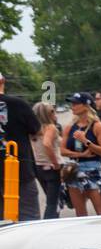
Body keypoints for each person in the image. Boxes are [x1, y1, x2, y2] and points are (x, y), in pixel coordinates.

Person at [61, 92, 101, 216]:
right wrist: (81, 155)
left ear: (86, 106)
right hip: (74, 169)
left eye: (75, 103)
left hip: (93, 169)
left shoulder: (98, 126)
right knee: (80, 213)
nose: (72, 106)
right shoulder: (70, 127)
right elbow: (62, 151)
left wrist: (85, 141)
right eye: (71, 103)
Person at [0, 75, 41, 221]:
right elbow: (36, 130)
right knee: (29, 218)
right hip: (19, 169)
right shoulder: (18, 104)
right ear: (3, 82)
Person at [32, 101, 62, 219]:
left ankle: (53, 220)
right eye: (53, 111)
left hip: (38, 167)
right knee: (53, 203)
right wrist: (55, 163)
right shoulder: (50, 127)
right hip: (51, 167)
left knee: (51, 199)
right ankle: (48, 224)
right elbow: (47, 144)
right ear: (49, 113)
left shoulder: (33, 130)